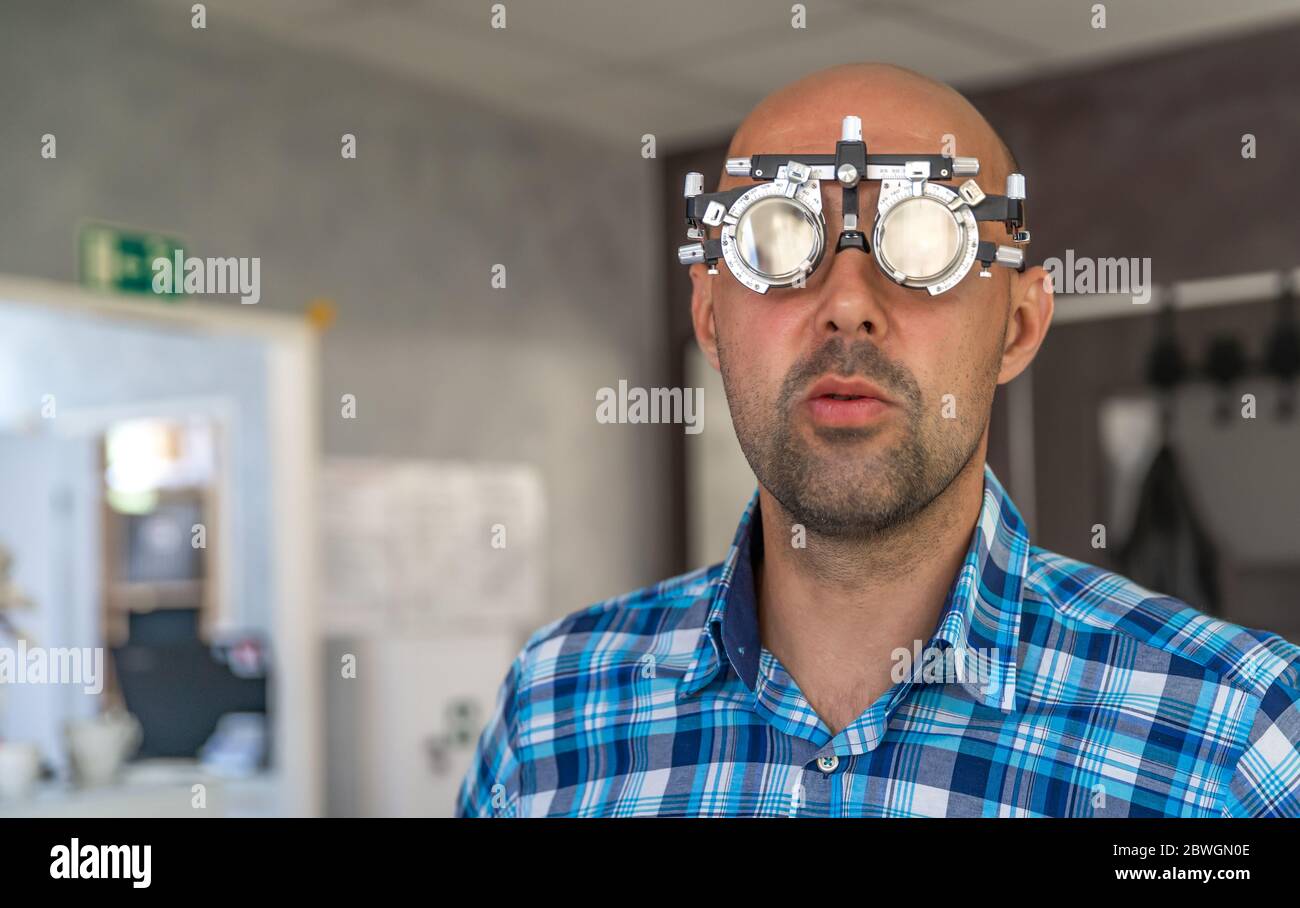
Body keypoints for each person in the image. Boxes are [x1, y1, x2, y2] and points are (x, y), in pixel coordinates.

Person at [456, 63, 1300, 817]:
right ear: (711, 320)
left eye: (927, 238)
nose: (848, 302)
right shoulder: (555, 708)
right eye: (778, 237)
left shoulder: (1233, 742)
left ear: (1017, 327)